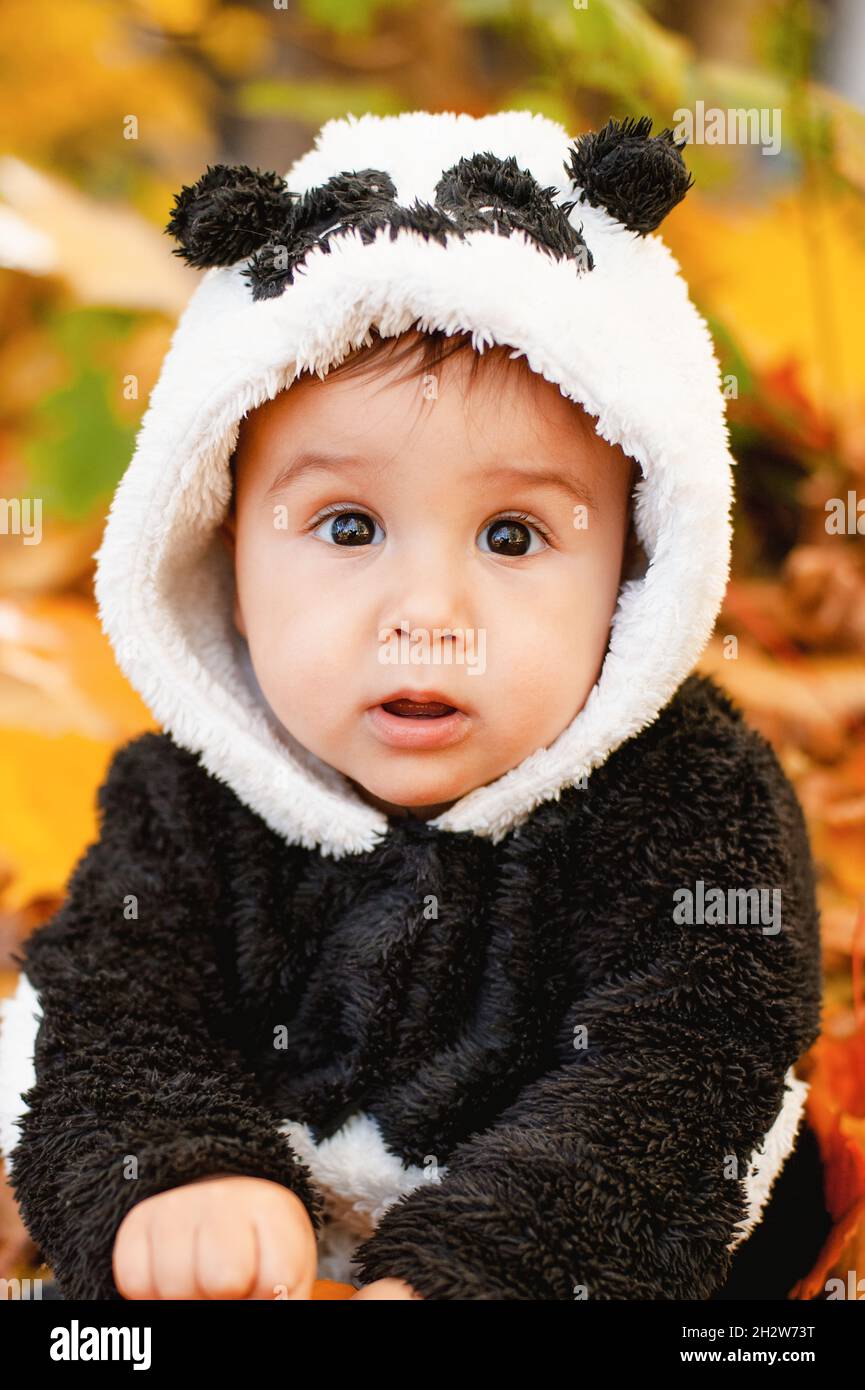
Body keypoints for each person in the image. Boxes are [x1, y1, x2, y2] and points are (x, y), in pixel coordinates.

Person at [0, 110, 830, 1300]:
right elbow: (113, 1019)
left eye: (513, 534)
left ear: (637, 568)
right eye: (348, 528)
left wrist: (492, 1266)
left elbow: (685, 1069)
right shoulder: (181, 800)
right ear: (222, 552)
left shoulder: (688, 797)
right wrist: (178, 1176)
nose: (426, 611)